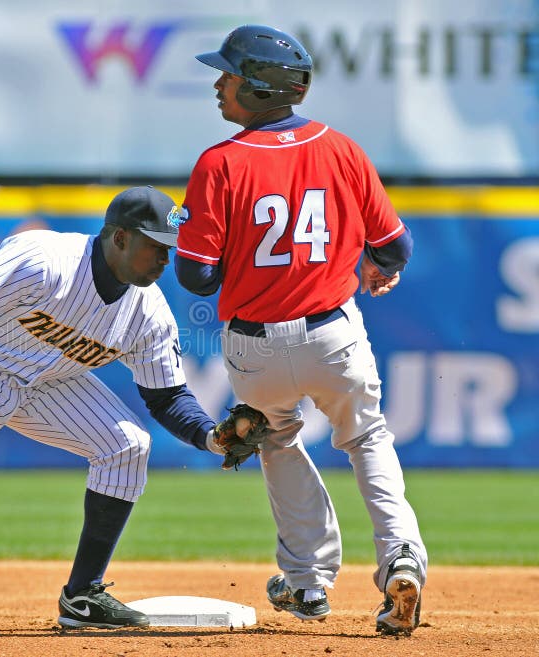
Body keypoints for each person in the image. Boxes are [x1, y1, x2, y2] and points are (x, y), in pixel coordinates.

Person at [0, 185, 229, 635]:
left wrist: (213, 437)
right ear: (120, 237)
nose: (166, 259)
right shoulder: (45, 260)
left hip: (42, 381)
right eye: (157, 246)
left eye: (170, 249)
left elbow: (166, 397)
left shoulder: (148, 314)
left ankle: (83, 596)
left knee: (128, 446)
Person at [175, 25, 427, 636]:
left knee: (276, 440)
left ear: (259, 87)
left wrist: (243, 258)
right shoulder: (342, 149)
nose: (218, 83)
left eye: (229, 74)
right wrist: (373, 266)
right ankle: (401, 559)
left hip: (254, 345)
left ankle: (308, 582)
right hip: (333, 333)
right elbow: (395, 247)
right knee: (366, 438)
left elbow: (196, 276)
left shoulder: (219, 162)